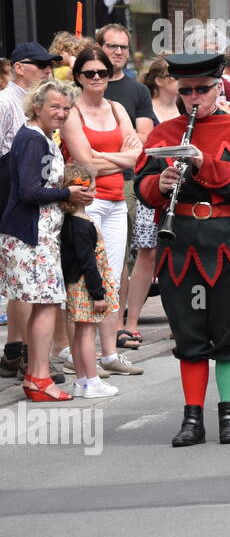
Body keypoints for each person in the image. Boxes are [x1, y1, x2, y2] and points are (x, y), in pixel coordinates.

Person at [137, 50, 230, 446]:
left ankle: (229, 415)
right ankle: (192, 419)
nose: (194, 97)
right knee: (189, 333)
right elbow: (143, 187)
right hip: (181, 240)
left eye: (203, 89)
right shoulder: (164, 134)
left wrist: (203, 162)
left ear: (218, 88)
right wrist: (157, 186)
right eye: (187, 90)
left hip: (229, 238)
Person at [1, 79, 96, 401]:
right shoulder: (33, 140)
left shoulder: (39, 137)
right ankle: (39, 377)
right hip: (31, 236)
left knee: (46, 303)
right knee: (45, 304)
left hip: (38, 234)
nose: (61, 113)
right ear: (37, 106)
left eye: (67, 108)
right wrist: (68, 192)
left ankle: (36, 376)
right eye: (55, 106)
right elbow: (29, 191)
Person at [61, 46, 144, 375]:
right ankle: (78, 355)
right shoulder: (72, 112)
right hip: (86, 202)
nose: (96, 78)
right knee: (84, 278)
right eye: (89, 73)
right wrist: (117, 159)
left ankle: (109, 353)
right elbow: (84, 163)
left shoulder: (117, 108)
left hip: (115, 201)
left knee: (111, 277)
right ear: (78, 77)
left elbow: (136, 157)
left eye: (102, 73)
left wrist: (101, 158)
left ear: (110, 76)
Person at [0, 42, 58, 380]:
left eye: (49, 64)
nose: (47, 69)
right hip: (12, 191)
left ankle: (15, 349)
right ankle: (27, 356)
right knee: (24, 278)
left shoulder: (33, 102)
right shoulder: (7, 100)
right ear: (19, 67)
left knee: (19, 278)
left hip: (23, 189)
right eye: (39, 64)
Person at [121, 59, 181, 346]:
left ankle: (178, 319)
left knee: (177, 255)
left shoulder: (186, 105)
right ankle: (131, 321)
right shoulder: (150, 108)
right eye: (173, 76)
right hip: (154, 182)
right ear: (159, 80)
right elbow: (142, 143)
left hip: (182, 187)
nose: (179, 81)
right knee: (147, 255)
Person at [58, 163, 119, 399]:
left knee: (79, 333)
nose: (94, 194)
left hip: (76, 284)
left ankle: (82, 381)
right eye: (90, 190)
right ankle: (92, 381)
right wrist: (98, 294)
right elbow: (88, 262)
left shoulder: (71, 221)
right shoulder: (82, 225)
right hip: (86, 286)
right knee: (86, 333)